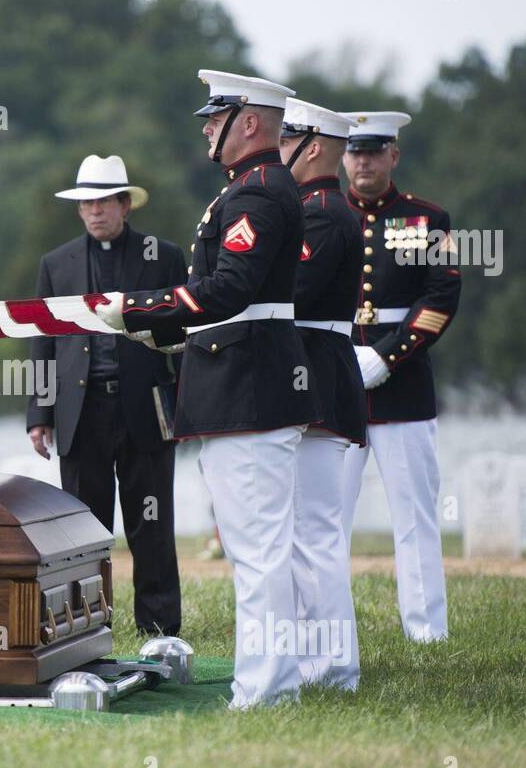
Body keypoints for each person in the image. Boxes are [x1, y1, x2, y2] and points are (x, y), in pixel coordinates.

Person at [95, 71, 319, 709]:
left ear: (248, 122)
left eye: (214, 118)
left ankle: (266, 690)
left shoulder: (255, 193)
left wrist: (141, 309)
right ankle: (266, 683)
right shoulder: (253, 188)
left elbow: (227, 289)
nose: (204, 129)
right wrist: (168, 333)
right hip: (241, 378)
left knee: (258, 549)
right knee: (256, 546)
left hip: (247, 387)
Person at [26, 154, 185, 636]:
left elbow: (186, 336)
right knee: (80, 528)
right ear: (79, 209)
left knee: (151, 523)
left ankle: (158, 629)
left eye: (104, 201)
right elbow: (42, 339)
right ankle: (82, 626)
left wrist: (187, 407)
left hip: (146, 409)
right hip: (81, 410)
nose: (95, 210)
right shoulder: (55, 264)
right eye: (87, 202)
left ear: (125, 205)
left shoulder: (165, 256)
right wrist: (40, 412)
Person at [340, 111, 461, 642]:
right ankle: (324, 631)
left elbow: (440, 297)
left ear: (394, 155)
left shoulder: (429, 220)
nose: (363, 161)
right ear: (342, 157)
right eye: (354, 152)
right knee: (325, 521)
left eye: (374, 151)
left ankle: (427, 631)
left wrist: (388, 356)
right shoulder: (318, 216)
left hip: (404, 385)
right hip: (336, 385)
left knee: (415, 516)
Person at [278, 98, 367, 689]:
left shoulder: (321, 213)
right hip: (313, 371)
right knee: (306, 534)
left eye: (286, 139)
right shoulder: (319, 209)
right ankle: (320, 659)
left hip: (317, 374)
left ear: (311, 146)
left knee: (315, 534)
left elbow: (293, 293)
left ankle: (332, 666)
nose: (275, 150)